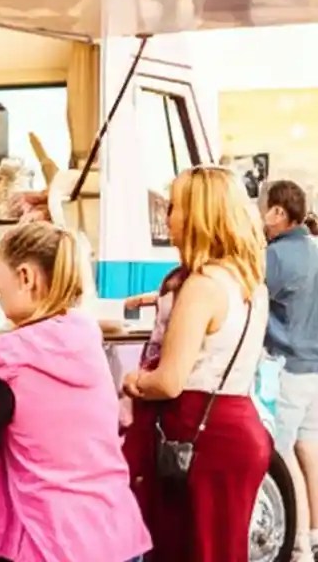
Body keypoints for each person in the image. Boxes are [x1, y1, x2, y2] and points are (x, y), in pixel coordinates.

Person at [0, 222, 150, 562]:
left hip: (52, 544)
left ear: (26, 277)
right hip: (117, 535)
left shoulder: (10, 358)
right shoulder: (86, 337)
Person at [121, 166, 271, 562]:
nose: (167, 216)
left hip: (199, 436)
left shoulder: (202, 286)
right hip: (236, 426)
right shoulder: (249, 282)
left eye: (174, 206)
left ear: (198, 215)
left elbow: (169, 381)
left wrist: (133, 380)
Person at [260, 179, 318, 561]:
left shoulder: (276, 257)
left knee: (280, 458)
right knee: (310, 451)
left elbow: (245, 298)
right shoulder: (314, 249)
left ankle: (296, 547)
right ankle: (315, 537)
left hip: (287, 369)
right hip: (315, 370)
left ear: (278, 212)